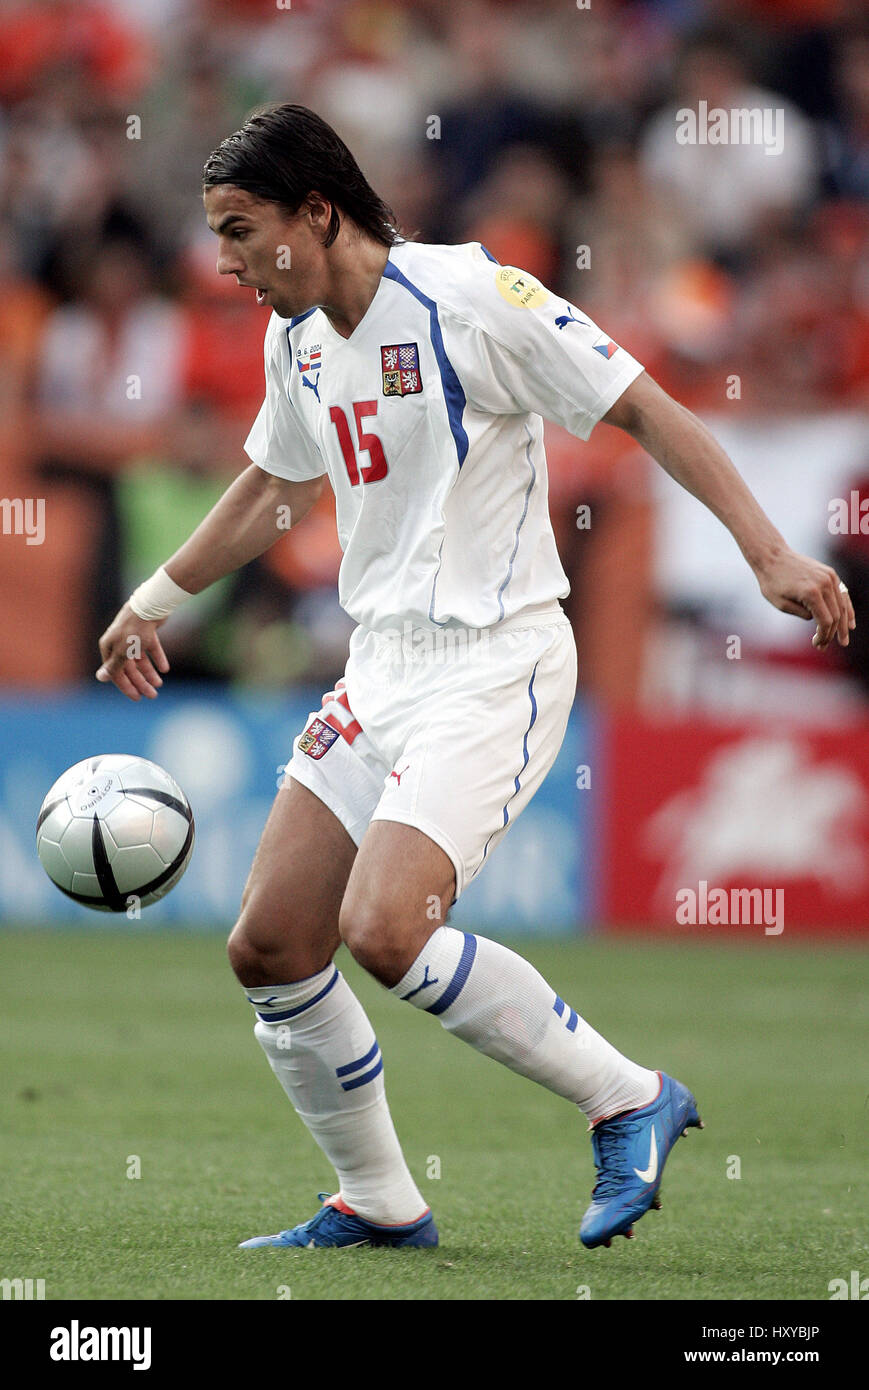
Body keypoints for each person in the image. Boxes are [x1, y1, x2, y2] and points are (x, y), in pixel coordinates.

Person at [96, 104, 855, 1251]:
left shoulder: (471, 299)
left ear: (317, 210)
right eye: (217, 235)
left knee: (387, 929)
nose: (225, 262)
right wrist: (151, 601)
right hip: (380, 664)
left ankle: (629, 1096)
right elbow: (271, 487)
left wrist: (766, 553)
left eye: (240, 231)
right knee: (269, 944)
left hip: (494, 661)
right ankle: (381, 1201)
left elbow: (644, 406)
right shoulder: (294, 335)